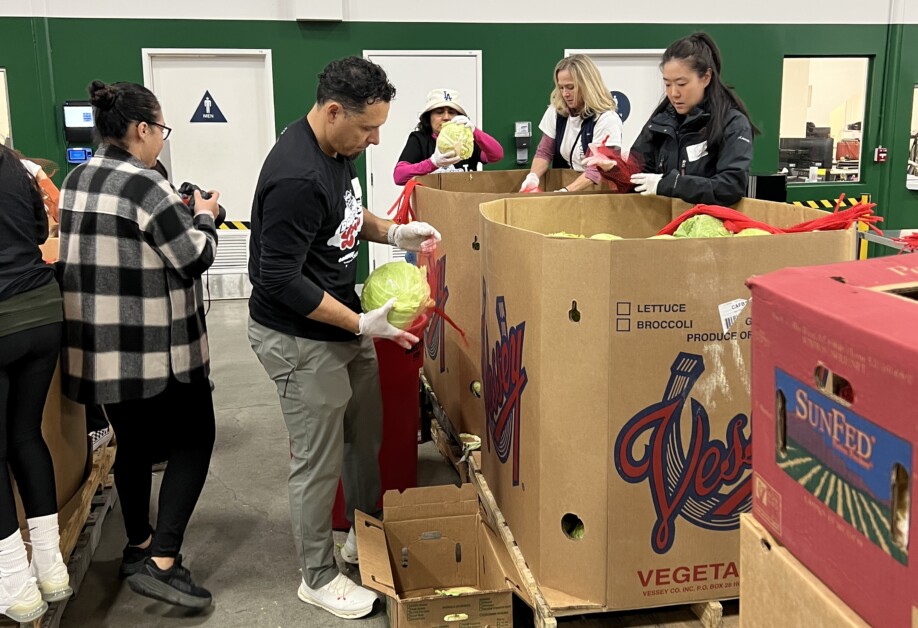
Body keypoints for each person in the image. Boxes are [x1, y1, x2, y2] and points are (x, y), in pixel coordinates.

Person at [247, 56, 440, 621]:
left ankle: (361, 535)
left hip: (343, 323)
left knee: (364, 434)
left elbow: (348, 218)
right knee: (317, 459)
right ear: (333, 112)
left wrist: (394, 230)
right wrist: (360, 324)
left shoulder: (336, 149)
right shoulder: (296, 176)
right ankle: (318, 575)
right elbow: (277, 279)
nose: (377, 138)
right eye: (367, 127)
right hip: (298, 338)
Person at [58, 79, 220, 610]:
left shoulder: (77, 179)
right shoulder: (145, 185)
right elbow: (192, 256)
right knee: (195, 438)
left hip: (101, 349)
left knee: (132, 443)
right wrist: (206, 217)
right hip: (159, 352)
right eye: (161, 130)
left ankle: (139, 543)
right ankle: (164, 561)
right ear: (142, 129)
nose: (161, 142)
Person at [0, 144, 72, 623]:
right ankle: (51, 567)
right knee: (25, 435)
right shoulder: (11, 163)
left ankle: (13, 584)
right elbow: (43, 226)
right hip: (43, 310)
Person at [589, 33, 755, 206]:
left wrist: (671, 184)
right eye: (667, 84)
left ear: (706, 77)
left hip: (710, 228)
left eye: (681, 84)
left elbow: (730, 187)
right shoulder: (659, 123)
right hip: (663, 226)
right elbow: (637, 177)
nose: (674, 93)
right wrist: (614, 169)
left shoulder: (733, 123)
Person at [519, 54, 623, 193]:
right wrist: (533, 177)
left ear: (588, 86)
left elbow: (594, 171)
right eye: (561, 87)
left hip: (596, 192)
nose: (565, 94)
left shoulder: (607, 119)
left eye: (570, 87)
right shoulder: (556, 111)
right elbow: (544, 151)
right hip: (567, 184)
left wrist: (566, 192)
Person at [393, 88, 503, 185]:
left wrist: (474, 131)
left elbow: (497, 155)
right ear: (429, 118)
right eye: (439, 112)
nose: (446, 117)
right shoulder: (419, 139)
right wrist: (432, 163)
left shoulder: (466, 140)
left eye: (451, 112)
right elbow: (399, 176)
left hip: (465, 204)